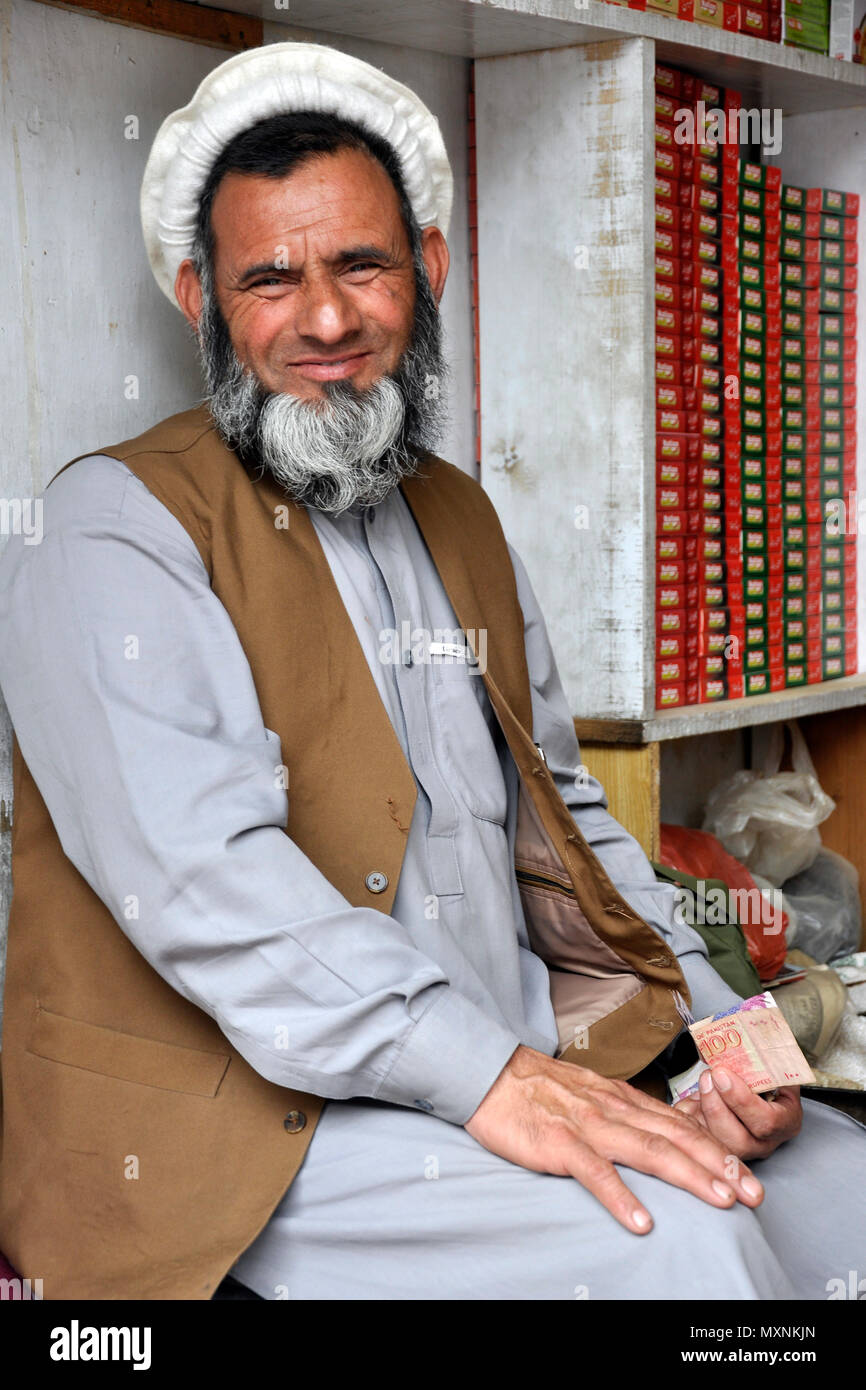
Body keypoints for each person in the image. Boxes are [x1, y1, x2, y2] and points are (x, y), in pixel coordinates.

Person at [0, 40, 863, 1302]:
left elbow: (566, 816)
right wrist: (502, 1081)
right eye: (269, 278)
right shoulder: (113, 528)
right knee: (681, 1246)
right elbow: (205, 885)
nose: (327, 318)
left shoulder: (455, 515)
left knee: (838, 1188)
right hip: (253, 1122)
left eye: (360, 262)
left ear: (429, 269)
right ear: (201, 299)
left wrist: (730, 1035)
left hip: (481, 1072)